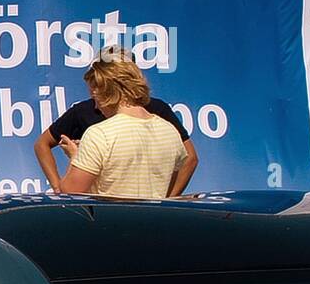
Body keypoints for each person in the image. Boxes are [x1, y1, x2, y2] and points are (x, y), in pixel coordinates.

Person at [34, 48, 198, 195]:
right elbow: (176, 171)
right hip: (155, 225)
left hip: (108, 225)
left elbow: (69, 194)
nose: (95, 104)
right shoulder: (169, 131)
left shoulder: (99, 134)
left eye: (94, 94)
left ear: (105, 91)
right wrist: (165, 203)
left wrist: (75, 156)